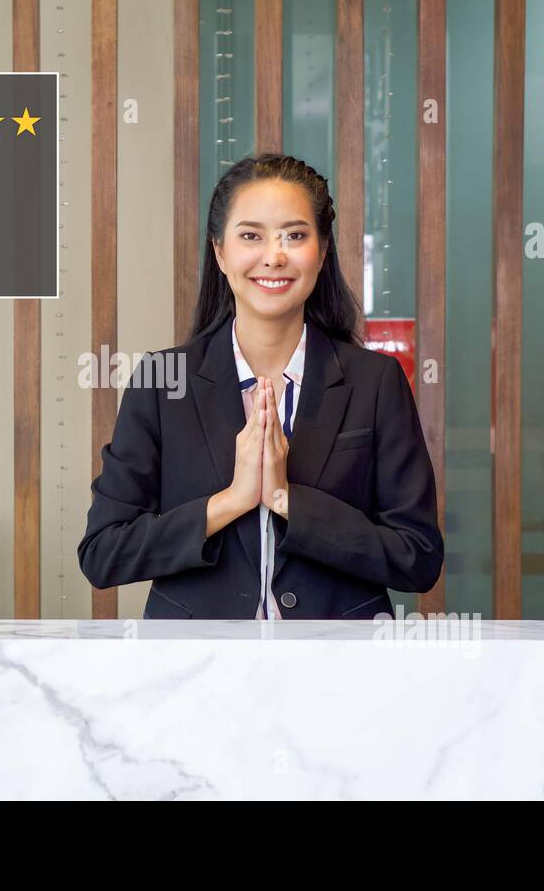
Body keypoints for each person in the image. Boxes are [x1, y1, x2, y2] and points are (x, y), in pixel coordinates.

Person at [77, 153, 442, 619]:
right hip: (196, 670)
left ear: (322, 251)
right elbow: (104, 553)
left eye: (295, 235)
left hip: (340, 666)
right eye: (251, 235)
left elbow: (418, 558)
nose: (274, 255)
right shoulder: (160, 382)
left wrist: (288, 500)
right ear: (220, 252)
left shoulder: (375, 382)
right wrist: (229, 502)